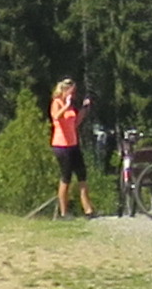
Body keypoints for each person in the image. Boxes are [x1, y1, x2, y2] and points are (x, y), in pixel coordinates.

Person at [49, 75, 90, 217]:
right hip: (61, 145)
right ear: (64, 91)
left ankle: (88, 209)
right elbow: (56, 117)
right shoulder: (57, 103)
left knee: (82, 175)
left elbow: (75, 122)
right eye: (71, 92)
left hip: (73, 143)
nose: (72, 95)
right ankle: (63, 212)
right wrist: (66, 105)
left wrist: (84, 109)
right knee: (66, 177)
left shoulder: (70, 106)